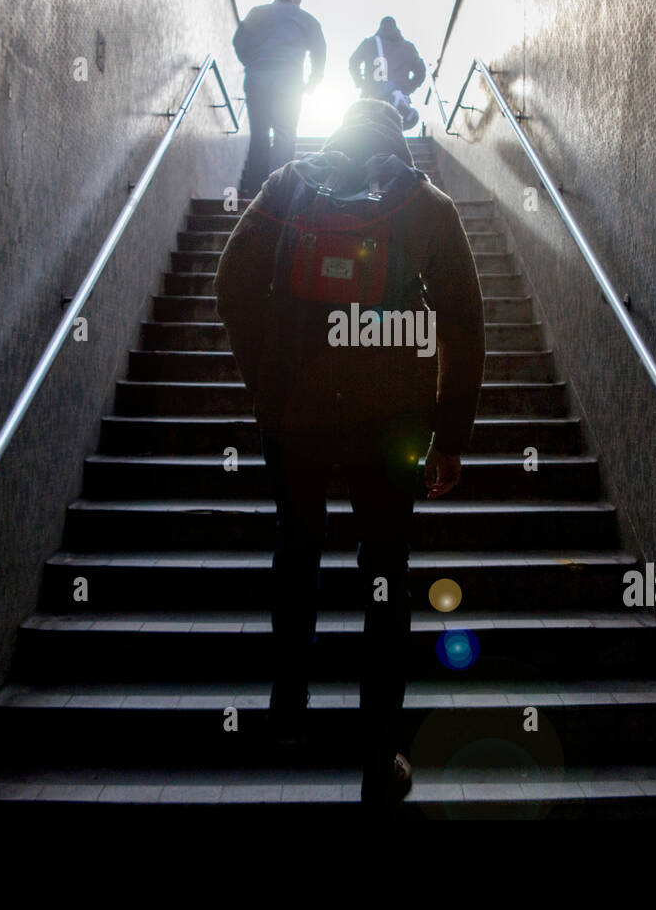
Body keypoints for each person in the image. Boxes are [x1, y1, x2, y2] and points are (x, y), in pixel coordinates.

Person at [214, 99, 485, 813]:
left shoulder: (286, 187)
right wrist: (450, 434)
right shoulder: (428, 204)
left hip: (295, 416)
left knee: (297, 551)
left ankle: (286, 712)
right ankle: (377, 755)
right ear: (397, 139)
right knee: (385, 576)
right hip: (388, 426)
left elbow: (230, 283)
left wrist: (266, 382)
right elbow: (462, 322)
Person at [232, 0, 327, 197]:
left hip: (257, 78)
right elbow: (320, 52)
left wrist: (252, 63)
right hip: (289, 81)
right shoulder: (306, 19)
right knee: (285, 133)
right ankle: (279, 187)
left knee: (259, 134)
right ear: (296, 1)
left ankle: (254, 188)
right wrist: (312, 81)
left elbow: (238, 41)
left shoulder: (257, 12)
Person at [348, 16, 426, 131]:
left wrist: (362, 83)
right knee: (394, 127)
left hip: (372, 95)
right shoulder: (408, 47)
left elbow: (353, 62)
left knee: (369, 128)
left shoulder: (370, 43)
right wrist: (408, 89)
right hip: (398, 99)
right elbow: (421, 72)